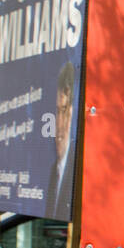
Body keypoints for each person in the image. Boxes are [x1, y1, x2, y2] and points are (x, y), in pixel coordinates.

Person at [44, 62, 75, 220]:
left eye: (64, 111)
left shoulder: (76, 171)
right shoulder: (53, 171)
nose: (59, 124)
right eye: (57, 112)